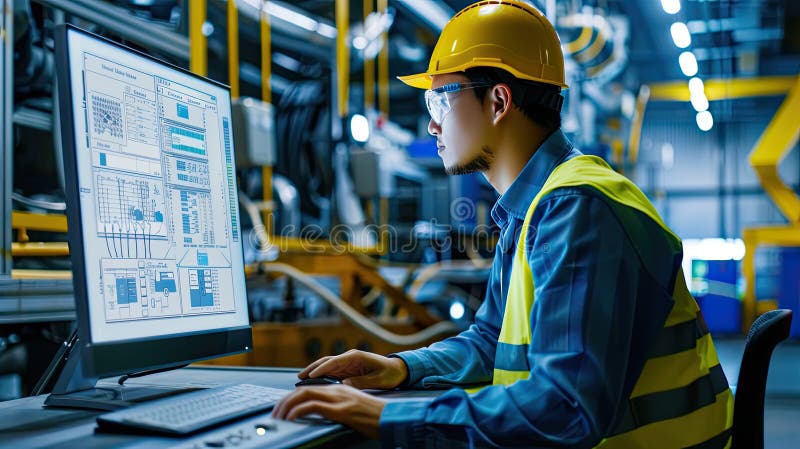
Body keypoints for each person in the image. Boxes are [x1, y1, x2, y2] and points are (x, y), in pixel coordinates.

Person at [272, 1, 733, 447]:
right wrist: (403, 368)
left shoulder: (576, 206)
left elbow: (567, 407)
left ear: (498, 101)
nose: (432, 126)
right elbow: (492, 340)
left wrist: (388, 415)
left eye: (439, 102)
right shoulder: (530, 209)